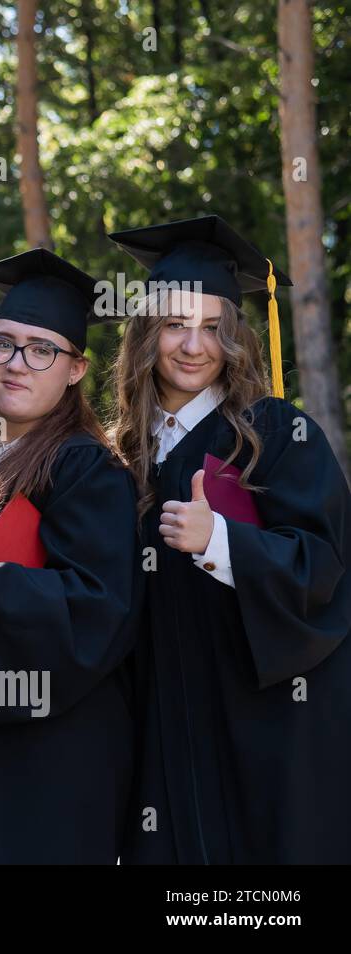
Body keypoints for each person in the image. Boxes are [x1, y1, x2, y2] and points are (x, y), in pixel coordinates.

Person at [110, 215, 351, 863]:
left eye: (213, 328)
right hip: (164, 724)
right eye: (175, 325)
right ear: (146, 334)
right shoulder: (122, 458)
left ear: (235, 338)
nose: (194, 346)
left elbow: (325, 565)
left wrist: (219, 540)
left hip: (264, 723)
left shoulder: (274, 434)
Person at [0, 248, 141, 863]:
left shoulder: (86, 467)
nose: (16, 363)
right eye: (3, 344)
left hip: (57, 748)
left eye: (42, 349)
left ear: (75, 369)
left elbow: (103, 606)